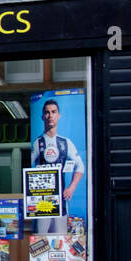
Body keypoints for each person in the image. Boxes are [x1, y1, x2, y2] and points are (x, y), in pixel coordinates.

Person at [32, 99, 85, 233]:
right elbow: (27, 171)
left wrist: (72, 187)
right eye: (47, 112)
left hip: (60, 203)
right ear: (42, 116)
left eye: (53, 112)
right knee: (41, 241)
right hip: (41, 204)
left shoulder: (66, 143)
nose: (50, 115)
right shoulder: (37, 143)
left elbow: (80, 166)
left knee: (61, 241)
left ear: (59, 115)